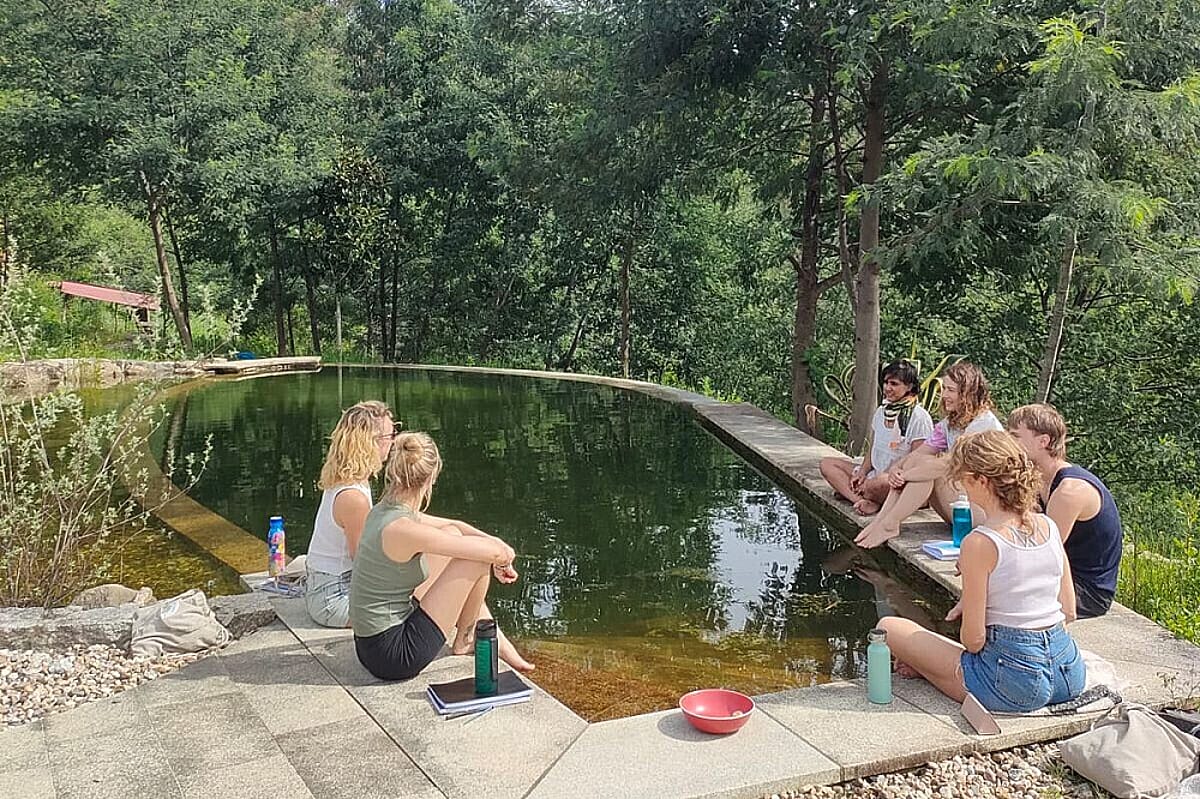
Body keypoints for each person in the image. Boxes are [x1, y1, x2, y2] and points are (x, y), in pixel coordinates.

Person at [877, 430, 1085, 713]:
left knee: (890, 628)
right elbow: (1068, 610)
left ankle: (929, 669)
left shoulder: (979, 542)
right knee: (934, 648)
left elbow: (973, 641)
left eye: (964, 478)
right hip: (1069, 673)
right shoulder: (1047, 525)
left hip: (1013, 683)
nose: (960, 485)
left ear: (982, 481)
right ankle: (929, 666)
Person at [349, 431, 534, 681]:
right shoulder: (404, 530)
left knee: (453, 532)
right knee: (475, 557)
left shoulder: (384, 513)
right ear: (431, 478)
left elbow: (456, 525)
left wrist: (496, 544)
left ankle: (475, 637)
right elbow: (488, 553)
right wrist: (503, 555)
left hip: (370, 647)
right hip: (393, 656)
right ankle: (467, 639)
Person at [855, 360, 1003, 548]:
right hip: (959, 508)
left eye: (951, 390)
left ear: (967, 394)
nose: (944, 395)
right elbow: (919, 453)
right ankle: (883, 521)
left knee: (927, 468)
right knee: (919, 461)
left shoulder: (983, 426)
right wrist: (897, 469)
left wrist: (904, 474)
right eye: (944, 389)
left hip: (983, 514)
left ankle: (890, 523)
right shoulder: (950, 424)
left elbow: (948, 464)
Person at [1008, 403, 1123, 618]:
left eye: (1015, 436)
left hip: (1086, 591)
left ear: (1043, 441)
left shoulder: (1069, 490)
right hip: (1058, 577)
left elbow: (1041, 551)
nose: (1008, 443)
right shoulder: (1039, 481)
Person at [305, 401, 396, 628]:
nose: (393, 441)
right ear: (371, 442)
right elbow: (365, 562)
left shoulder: (350, 478)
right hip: (332, 598)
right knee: (422, 602)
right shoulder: (353, 498)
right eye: (389, 435)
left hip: (332, 585)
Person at [820, 360, 934, 515]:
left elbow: (919, 462)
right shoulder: (881, 411)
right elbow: (873, 448)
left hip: (899, 481)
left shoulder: (919, 417)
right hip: (875, 474)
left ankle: (861, 493)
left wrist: (886, 476)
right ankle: (861, 501)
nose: (887, 388)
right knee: (827, 465)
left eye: (894, 384)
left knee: (876, 483)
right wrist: (862, 472)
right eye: (886, 382)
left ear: (910, 386)